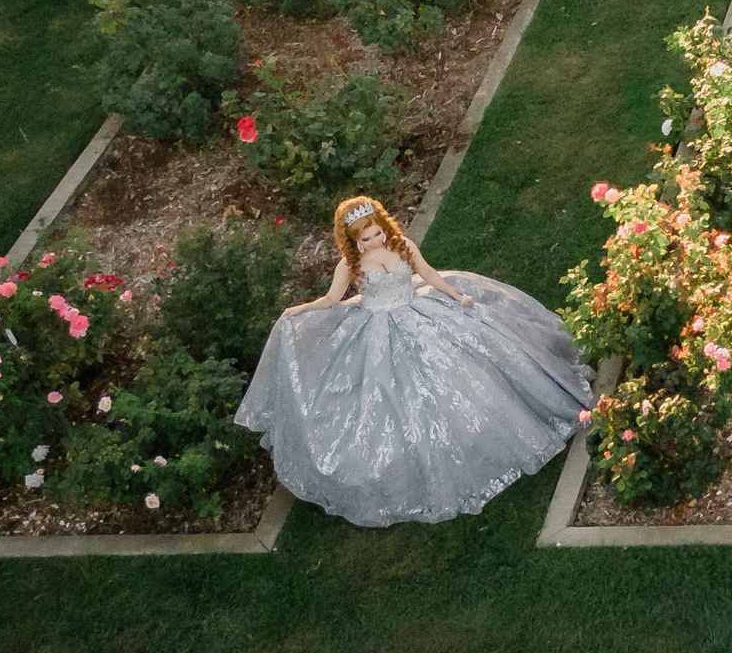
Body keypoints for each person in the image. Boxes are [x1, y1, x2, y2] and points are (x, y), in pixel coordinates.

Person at [235, 196, 593, 527]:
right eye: (366, 237)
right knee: (393, 397)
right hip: (376, 329)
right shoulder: (351, 265)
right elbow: (331, 299)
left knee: (468, 369)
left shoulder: (403, 247)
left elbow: (428, 273)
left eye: (377, 232)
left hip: (419, 313)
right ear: (354, 240)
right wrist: (298, 311)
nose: (375, 240)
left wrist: (455, 294)